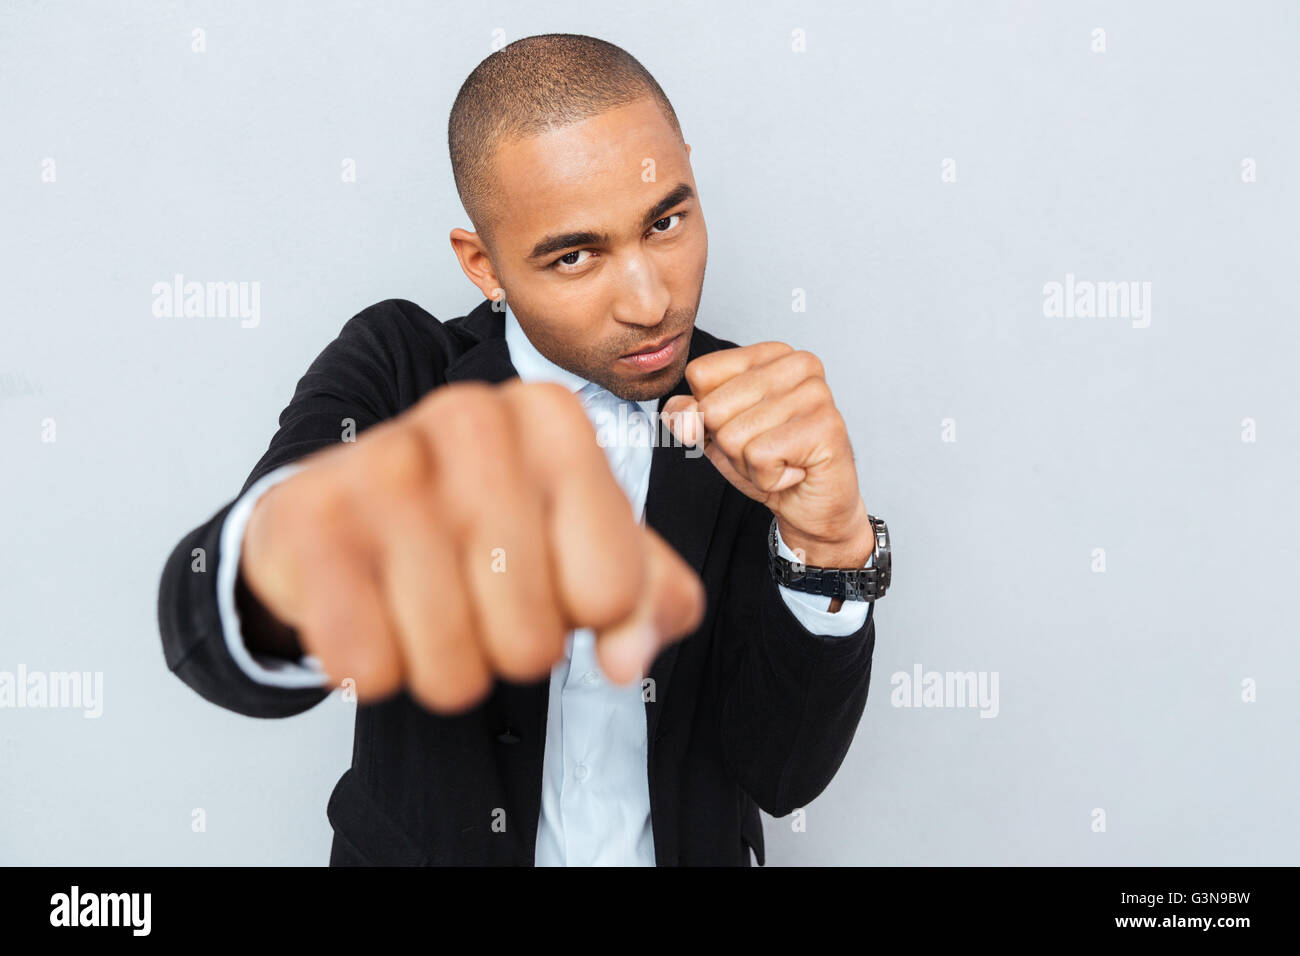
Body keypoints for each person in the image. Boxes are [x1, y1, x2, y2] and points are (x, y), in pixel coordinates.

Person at [157, 32, 890, 866]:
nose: (651, 303)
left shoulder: (751, 417)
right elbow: (217, 637)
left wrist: (831, 552)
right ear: (484, 265)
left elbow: (783, 772)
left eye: (667, 221)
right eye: (575, 255)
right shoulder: (398, 371)